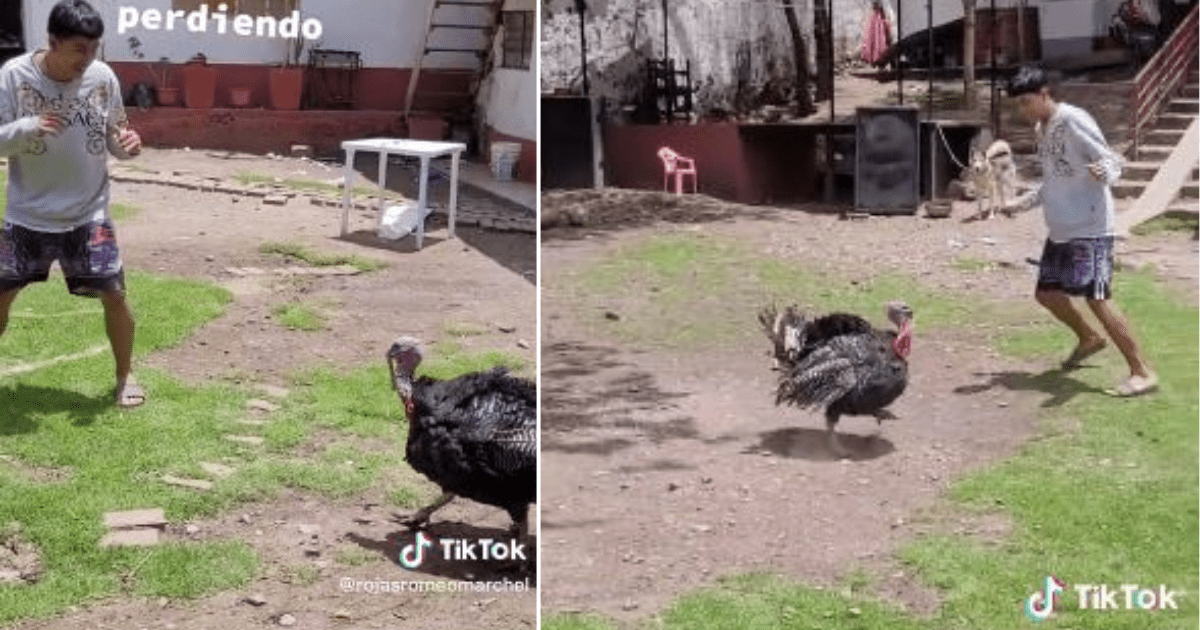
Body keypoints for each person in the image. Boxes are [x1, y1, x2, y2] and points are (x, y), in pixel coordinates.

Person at [0, 0, 145, 407]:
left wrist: (127, 145)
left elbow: (116, 133)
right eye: (79, 49)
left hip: (88, 213)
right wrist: (31, 125)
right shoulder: (14, 77)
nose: (88, 59)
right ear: (53, 41)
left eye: (94, 48)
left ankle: (125, 377)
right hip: (28, 212)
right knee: (1, 295)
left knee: (115, 295)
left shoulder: (102, 78)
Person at [1001, 65, 1157, 397]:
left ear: (1045, 94)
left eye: (1027, 101)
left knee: (1096, 297)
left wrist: (1107, 171)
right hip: (1060, 229)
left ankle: (1141, 371)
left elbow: (1113, 161)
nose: (1023, 109)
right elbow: (1055, 182)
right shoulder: (1043, 129)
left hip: (1089, 228)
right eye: (1019, 104)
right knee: (1047, 294)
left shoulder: (1072, 120)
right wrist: (1019, 205)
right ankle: (1089, 338)